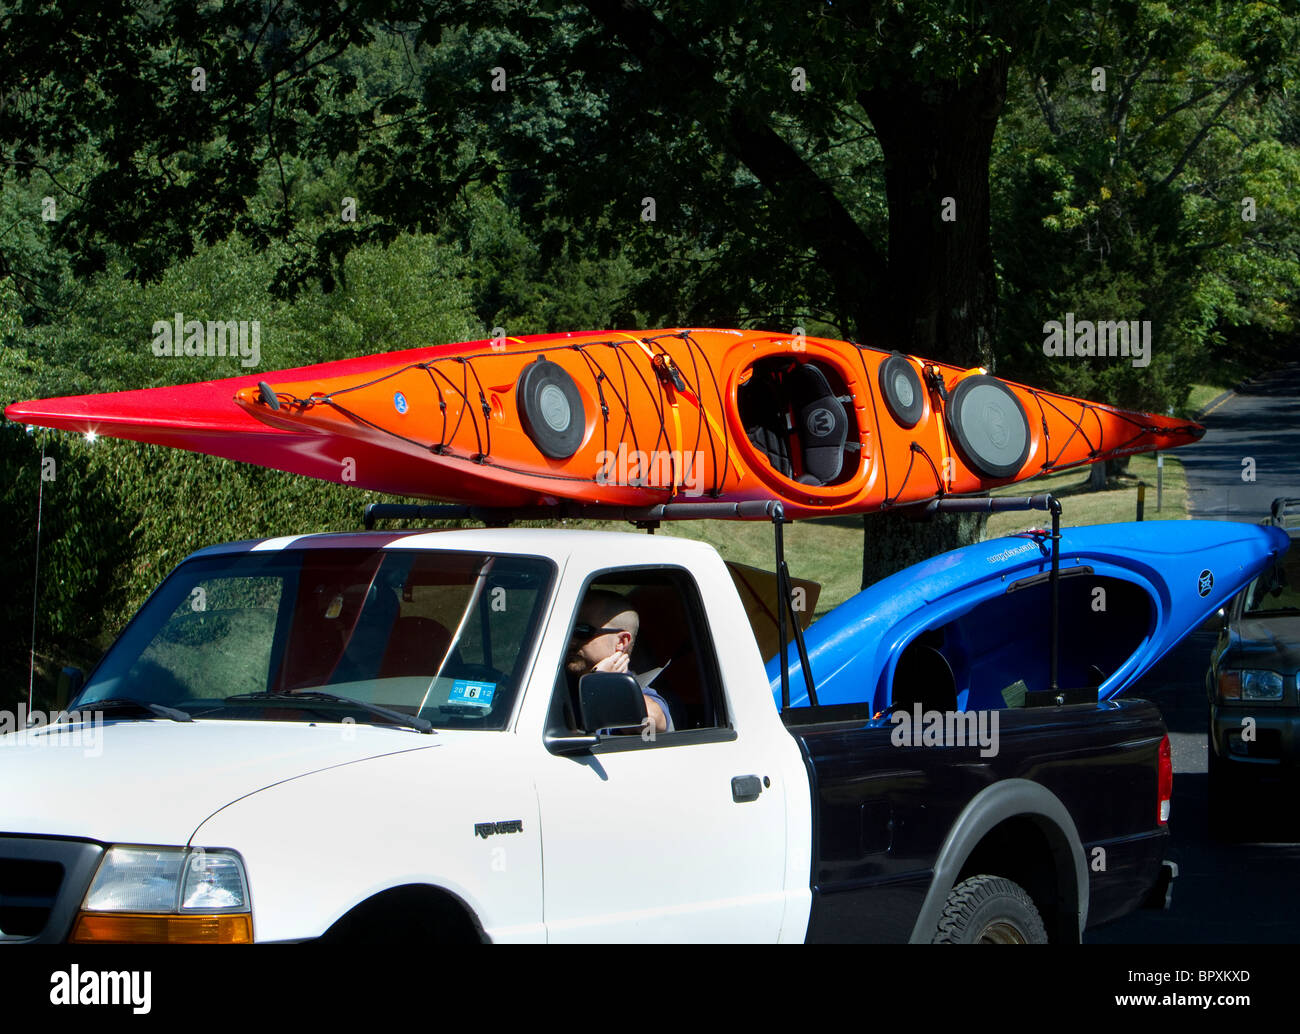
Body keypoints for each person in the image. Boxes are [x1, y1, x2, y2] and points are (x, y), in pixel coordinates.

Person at [565, 590, 673, 733]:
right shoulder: (553, 684)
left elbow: (653, 723)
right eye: (568, 630)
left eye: (582, 631)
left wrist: (603, 683)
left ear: (621, 642)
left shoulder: (645, 695)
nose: (571, 640)